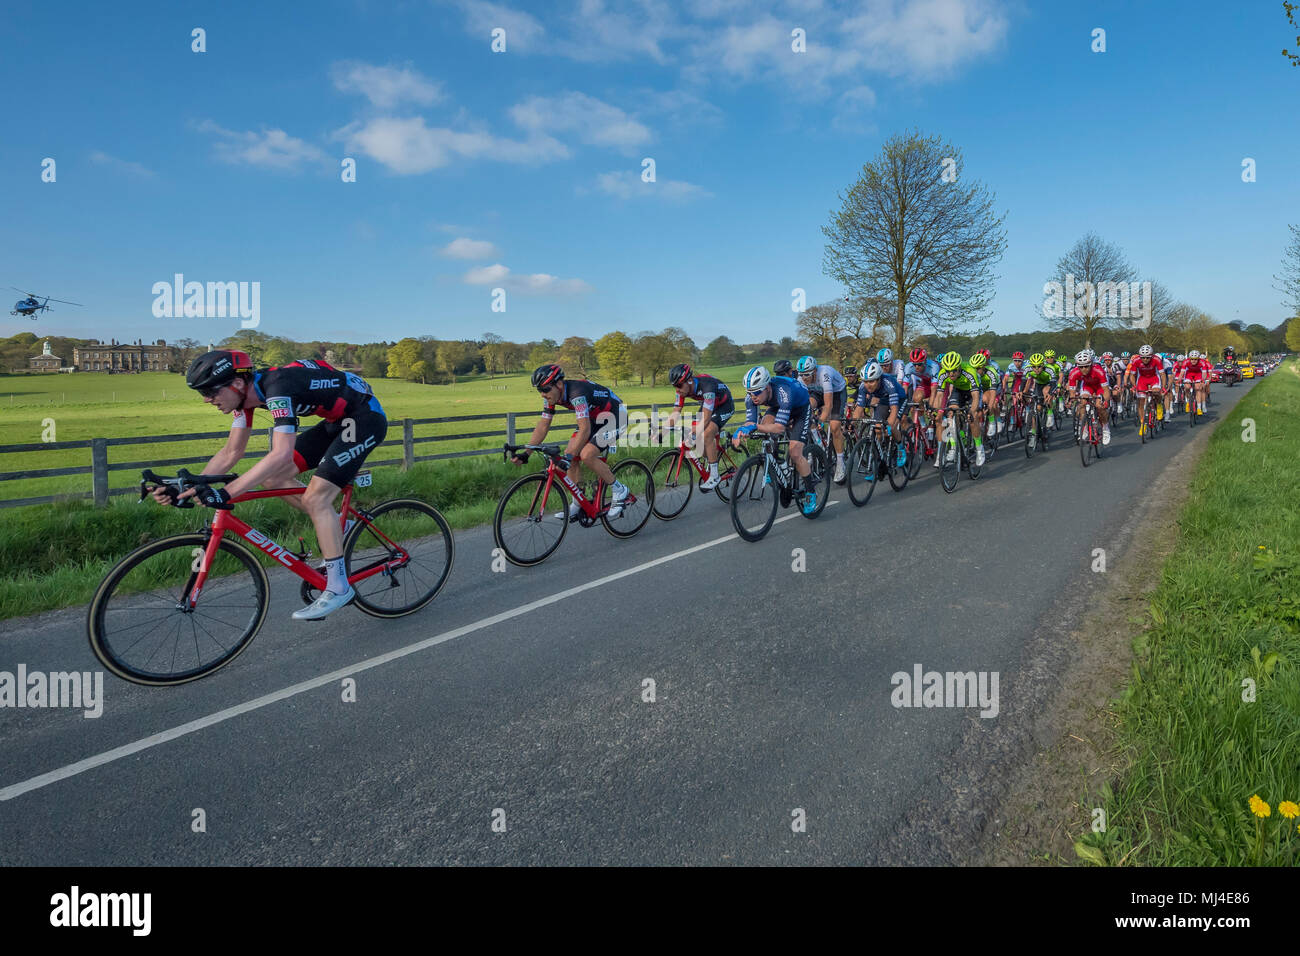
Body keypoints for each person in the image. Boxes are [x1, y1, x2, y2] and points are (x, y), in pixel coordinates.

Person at [173, 350, 387, 620]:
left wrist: (227, 492)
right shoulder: (245, 400)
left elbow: (280, 454)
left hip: (365, 419)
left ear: (237, 384)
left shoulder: (278, 387)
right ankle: (340, 525)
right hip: (337, 421)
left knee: (316, 499)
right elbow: (231, 453)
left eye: (211, 392)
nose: (207, 400)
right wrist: (190, 487)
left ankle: (338, 587)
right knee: (272, 478)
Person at [513, 364, 628, 520]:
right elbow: (543, 426)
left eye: (545, 389)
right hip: (595, 418)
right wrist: (526, 453)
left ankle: (619, 489)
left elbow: (584, 429)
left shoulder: (577, 393)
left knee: (586, 455)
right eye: (539, 390)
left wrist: (569, 456)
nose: (542, 394)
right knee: (570, 455)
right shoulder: (551, 396)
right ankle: (579, 502)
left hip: (616, 416)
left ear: (559, 384)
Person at [732, 365, 819, 514]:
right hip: (778, 406)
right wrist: (741, 430)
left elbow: (779, 428)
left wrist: (754, 426)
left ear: (767, 387)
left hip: (800, 409)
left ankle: (811, 493)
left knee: (795, 452)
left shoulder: (783, 391)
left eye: (757, 392)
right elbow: (750, 422)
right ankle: (778, 462)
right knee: (765, 424)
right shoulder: (752, 398)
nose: (753, 397)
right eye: (750, 393)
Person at [663, 362, 735, 490]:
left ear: (689, 380)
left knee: (706, 433)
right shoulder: (681, 391)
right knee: (696, 442)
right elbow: (676, 412)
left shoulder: (706, 385)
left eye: (679, 385)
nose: (677, 389)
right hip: (709, 404)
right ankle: (713, 458)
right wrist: (663, 431)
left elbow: (706, 419)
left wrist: (697, 431)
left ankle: (714, 475)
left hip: (724, 405)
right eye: (675, 386)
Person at [795, 354, 849, 484]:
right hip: (817, 392)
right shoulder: (801, 378)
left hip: (836, 393)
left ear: (814, 371)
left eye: (807, 374)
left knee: (835, 426)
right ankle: (817, 442)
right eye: (801, 375)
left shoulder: (824, 373)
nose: (804, 378)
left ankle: (841, 462)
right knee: (805, 410)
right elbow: (802, 402)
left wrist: (820, 420)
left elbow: (828, 405)